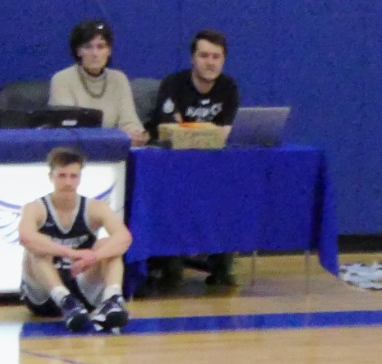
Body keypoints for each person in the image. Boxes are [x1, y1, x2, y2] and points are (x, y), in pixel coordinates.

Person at [146, 31, 242, 289]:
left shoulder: (229, 87)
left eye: (216, 57)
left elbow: (225, 133)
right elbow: (168, 129)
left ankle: (221, 263)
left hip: (212, 167)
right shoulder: (173, 84)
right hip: (173, 167)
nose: (210, 62)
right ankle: (169, 261)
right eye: (204, 56)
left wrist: (190, 129)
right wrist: (205, 132)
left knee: (233, 191)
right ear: (192, 59)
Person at [19, 146, 133, 333]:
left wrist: (94, 257)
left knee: (109, 245)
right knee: (36, 248)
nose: (68, 182)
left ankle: (112, 300)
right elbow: (26, 237)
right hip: (45, 293)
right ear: (51, 177)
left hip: (81, 286)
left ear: (80, 178)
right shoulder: (35, 207)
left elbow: (124, 237)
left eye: (73, 176)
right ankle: (65, 299)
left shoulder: (95, 207)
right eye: (62, 176)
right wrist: (71, 253)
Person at [50, 19, 149, 144]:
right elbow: (66, 128)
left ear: (109, 51)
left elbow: (130, 122)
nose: (95, 53)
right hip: (75, 152)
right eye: (88, 47)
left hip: (114, 150)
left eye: (101, 47)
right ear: (78, 51)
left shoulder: (119, 78)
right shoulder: (62, 79)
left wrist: (136, 134)